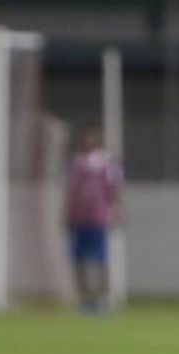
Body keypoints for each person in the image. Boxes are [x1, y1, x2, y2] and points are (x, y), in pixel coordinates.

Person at [65, 126, 123, 313]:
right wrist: (67, 213)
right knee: (78, 258)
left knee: (100, 259)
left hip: (99, 217)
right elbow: (72, 191)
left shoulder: (106, 163)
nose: (89, 141)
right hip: (80, 218)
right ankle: (85, 298)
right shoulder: (77, 163)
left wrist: (117, 211)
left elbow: (114, 189)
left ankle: (101, 298)